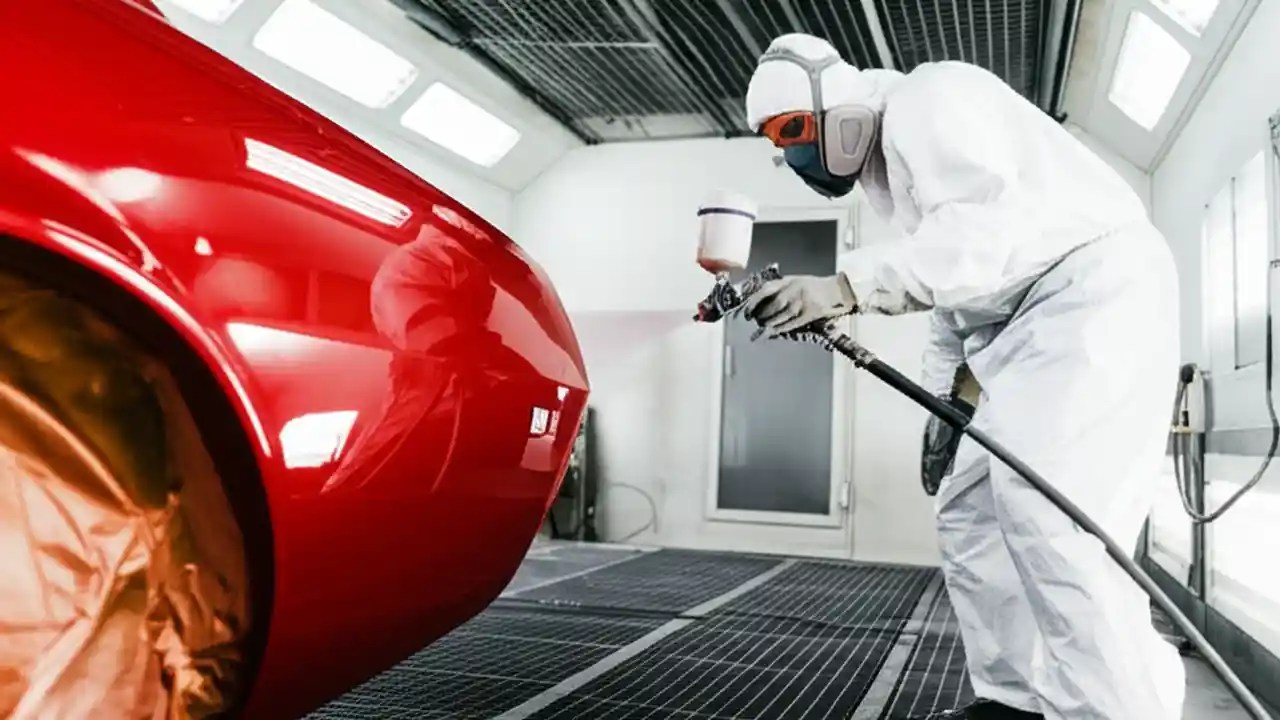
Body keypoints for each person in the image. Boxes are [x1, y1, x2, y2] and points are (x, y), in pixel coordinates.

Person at [741, 33, 1184, 720]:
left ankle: (1115, 710)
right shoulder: (893, 175)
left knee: (1054, 516)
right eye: (779, 142)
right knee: (969, 508)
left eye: (796, 130)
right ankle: (1011, 701)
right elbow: (958, 300)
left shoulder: (930, 96)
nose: (795, 155)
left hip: (1093, 296)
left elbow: (982, 238)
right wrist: (947, 401)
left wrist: (844, 284)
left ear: (841, 104)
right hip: (1025, 327)